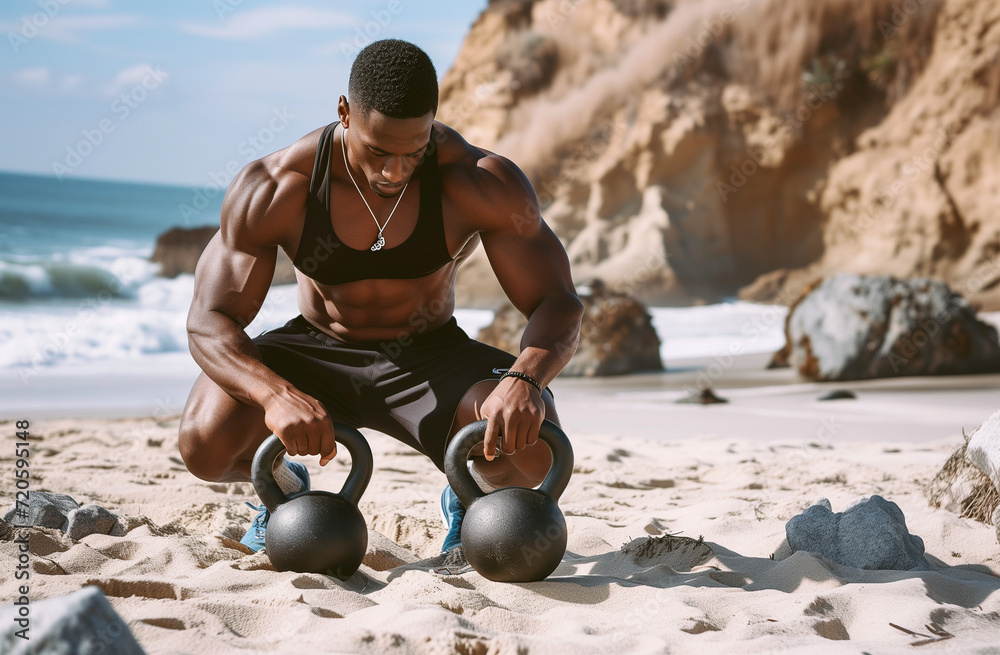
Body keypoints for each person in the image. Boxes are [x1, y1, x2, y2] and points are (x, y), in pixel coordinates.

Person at [177, 39, 583, 556]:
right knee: (204, 446)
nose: (395, 171)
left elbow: (558, 301)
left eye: (413, 152)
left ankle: (469, 489)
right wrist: (275, 396)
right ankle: (284, 486)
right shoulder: (279, 185)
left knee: (534, 451)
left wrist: (526, 378)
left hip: (430, 354)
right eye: (378, 151)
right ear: (344, 112)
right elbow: (209, 319)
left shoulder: (478, 181)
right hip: (316, 349)